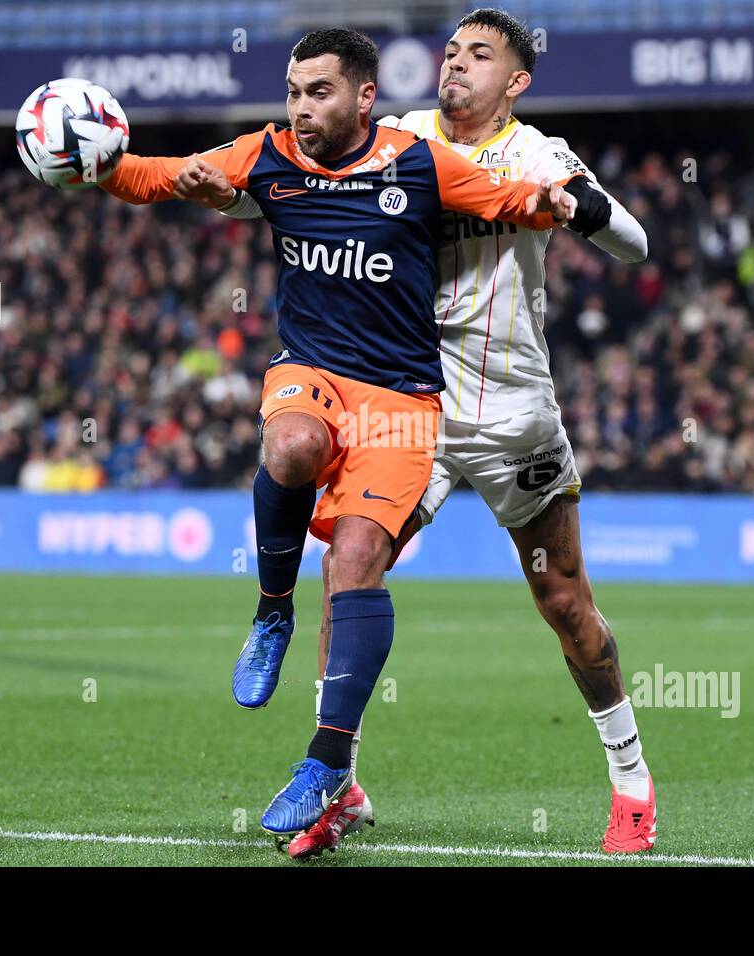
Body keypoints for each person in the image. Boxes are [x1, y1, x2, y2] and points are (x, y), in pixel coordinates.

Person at [95, 28, 576, 836]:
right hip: (310, 370)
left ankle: (326, 764)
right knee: (288, 446)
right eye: (292, 91)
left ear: (363, 97)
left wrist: (549, 200)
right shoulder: (268, 155)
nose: (301, 108)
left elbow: (506, 202)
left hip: (402, 396)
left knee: (356, 564)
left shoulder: (417, 162)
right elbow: (155, 177)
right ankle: (272, 611)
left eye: (318, 92)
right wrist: (98, 166)